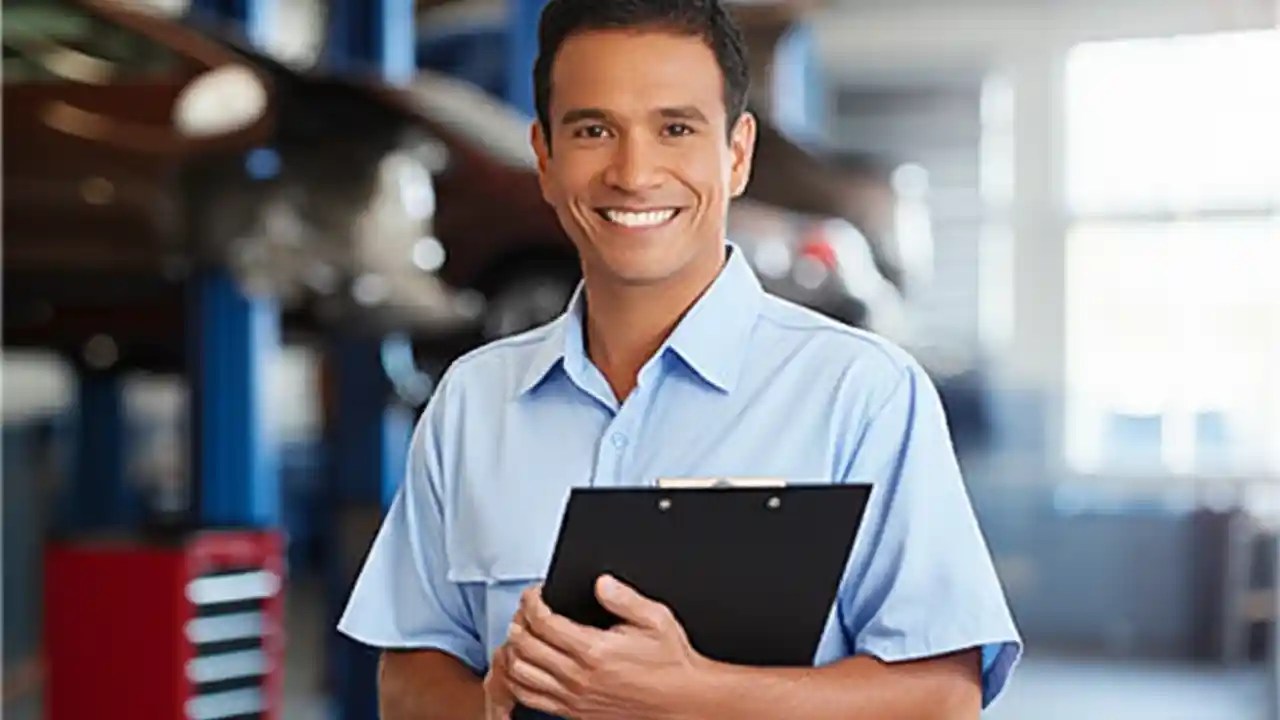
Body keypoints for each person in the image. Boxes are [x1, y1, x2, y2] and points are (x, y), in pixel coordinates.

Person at [338, 1, 1022, 718]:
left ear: (736, 154)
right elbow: (407, 677)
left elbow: (943, 698)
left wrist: (687, 694)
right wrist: (489, 704)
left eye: (675, 129)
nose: (634, 173)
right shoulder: (472, 402)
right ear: (544, 158)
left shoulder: (861, 393)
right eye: (594, 130)